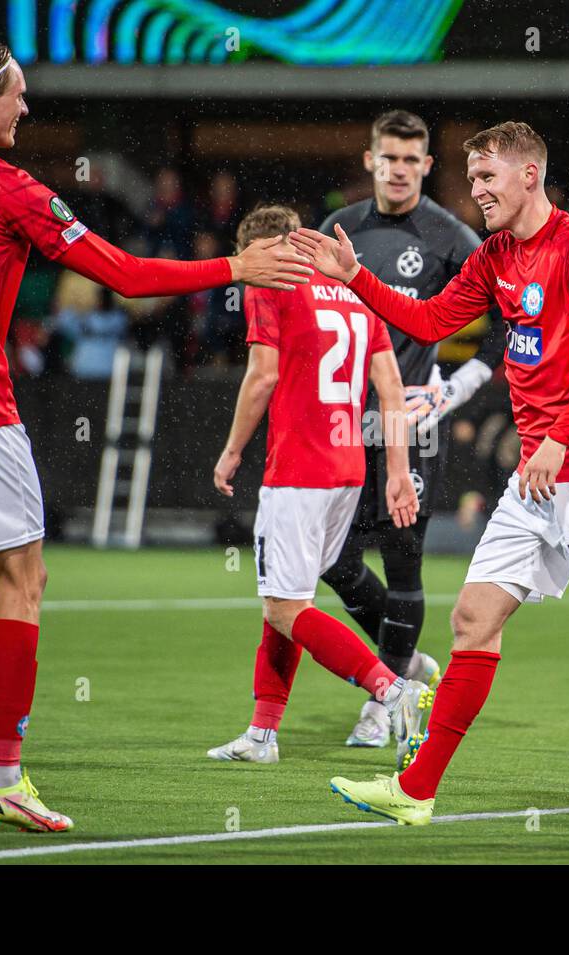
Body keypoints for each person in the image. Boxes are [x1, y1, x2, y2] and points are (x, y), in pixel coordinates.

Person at [0, 35, 311, 837]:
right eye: (18, 94)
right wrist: (234, 270)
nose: (27, 106)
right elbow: (124, 275)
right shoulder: (7, 186)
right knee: (20, 582)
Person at [293, 122, 569, 834]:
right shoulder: (495, 256)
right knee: (472, 619)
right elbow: (429, 319)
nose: (476, 190)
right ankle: (417, 788)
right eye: (473, 178)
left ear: (528, 176)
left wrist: (554, 439)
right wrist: (355, 277)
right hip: (536, 477)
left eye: (488, 178)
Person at [208, 206, 433, 769]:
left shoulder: (271, 277)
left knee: (285, 608)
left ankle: (391, 688)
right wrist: (399, 472)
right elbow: (392, 391)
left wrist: (233, 450)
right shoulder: (352, 286)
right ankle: (262, 736)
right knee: (286, 603)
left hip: (300, 470)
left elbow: (263, 374)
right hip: (349, 471)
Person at [317, 110, 505, 749]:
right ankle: (405, 662)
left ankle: (385, 696)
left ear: (427, 166)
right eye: (387, 158)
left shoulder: (451, 237)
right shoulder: (337, 230)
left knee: (402, 566)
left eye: (411, 161)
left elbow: (511, 322)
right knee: (333, 562)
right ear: (370, 160)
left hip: (413, 430)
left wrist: (455, 390)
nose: (398, 170)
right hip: (344, 424)